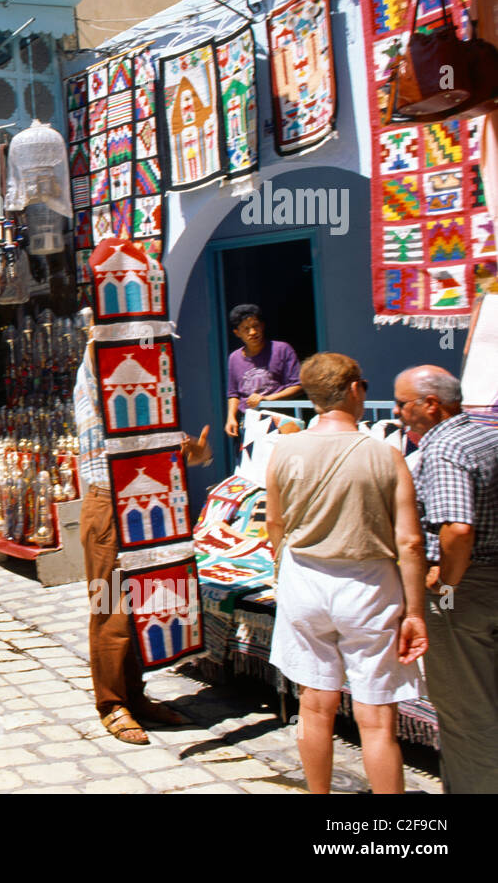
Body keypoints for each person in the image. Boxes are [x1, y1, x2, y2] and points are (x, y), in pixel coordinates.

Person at [266, 353, 428, 794]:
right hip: (368, 588)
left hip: (304, 579)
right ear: (355, 389)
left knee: (314, 708)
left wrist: (286, 572)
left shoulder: (284, 450)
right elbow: (411, 543)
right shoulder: (385, 455)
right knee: (376, 721)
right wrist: (415, 612)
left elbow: (275, 524)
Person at [73, 310, 212, 744]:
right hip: (108, 503)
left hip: (142, 501)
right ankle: (112, 704)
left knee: (140, 603)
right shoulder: (98, 360)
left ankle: (135, 694)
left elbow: (147, 438)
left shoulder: (137, 379)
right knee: (111, 606)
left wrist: (192, 451)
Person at [394, 364, 498, 793]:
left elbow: (457, 529)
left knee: (467, 708)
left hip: (465, 588)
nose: (398, 413)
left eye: (402, 404)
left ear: (430, 405)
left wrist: (448, 586)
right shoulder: (486, 433)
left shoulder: (445, 448)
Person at [224, 304, 303, 437]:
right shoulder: (234, 358)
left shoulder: (282, 349)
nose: (253, 332)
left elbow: (298, 386)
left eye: (256, 326)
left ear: (262, 325)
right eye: (246, 329)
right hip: (249, 423)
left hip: (281, 420)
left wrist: (267, 398)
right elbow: (233, 394)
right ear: (237, 333)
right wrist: (230, 418)